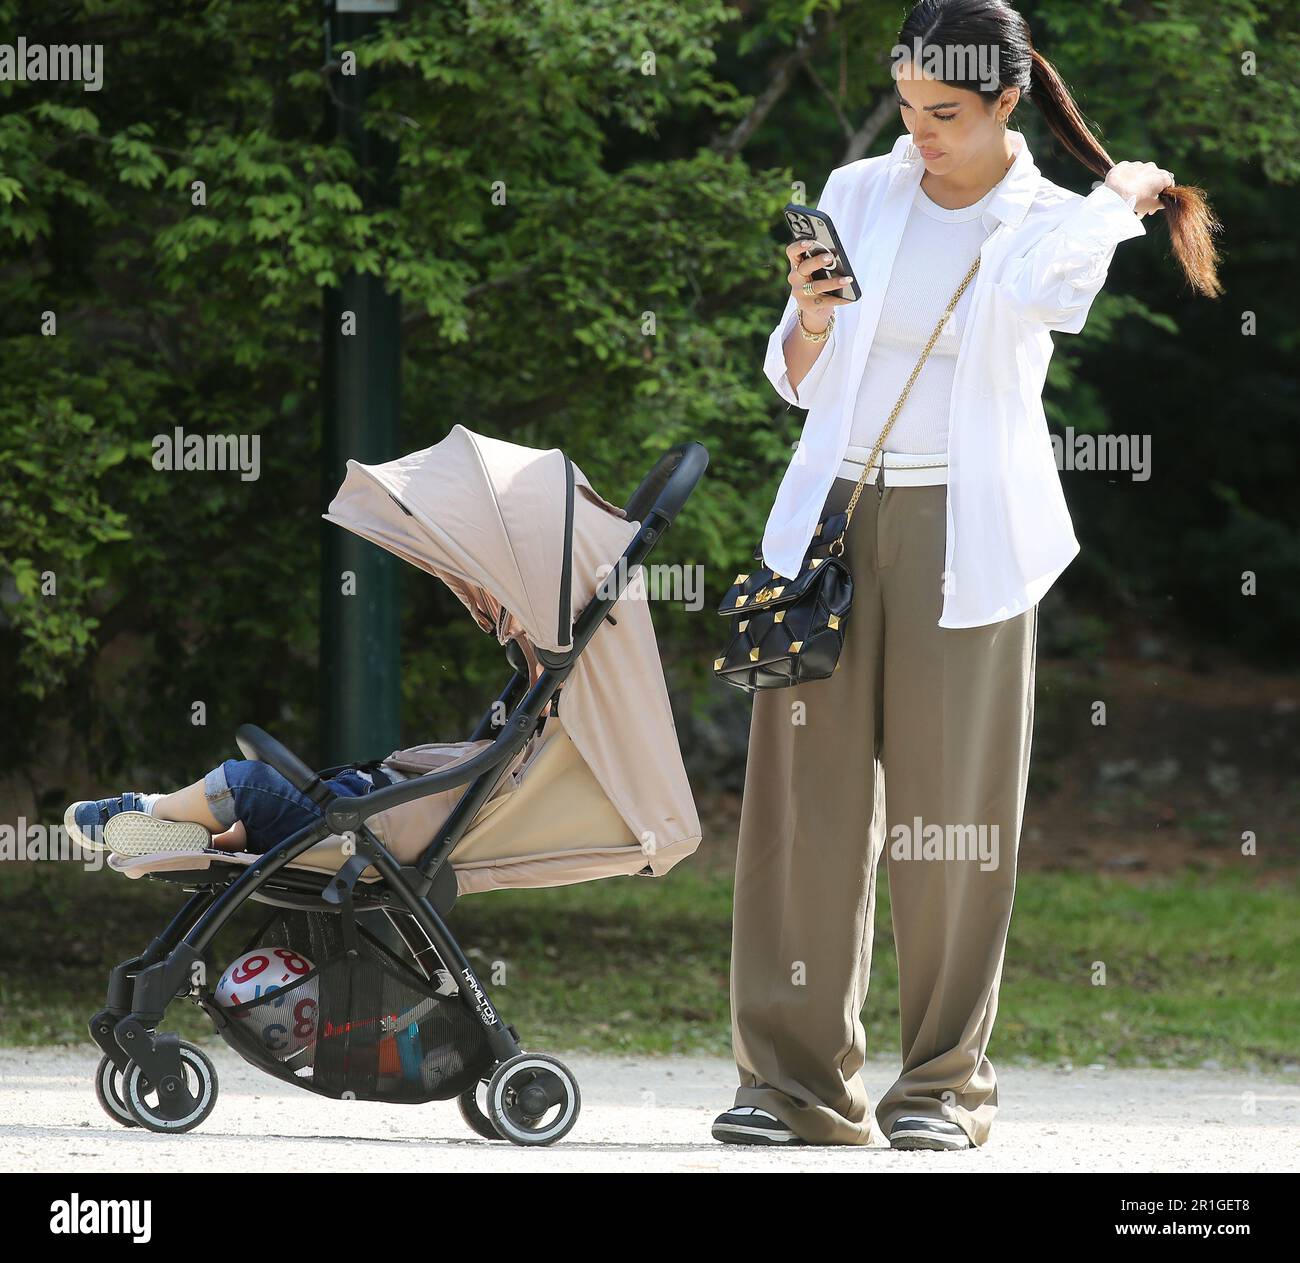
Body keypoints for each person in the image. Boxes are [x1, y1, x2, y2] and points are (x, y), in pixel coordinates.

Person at [713, 0, 1220, 1150]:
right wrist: (803, 317)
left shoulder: (1047, 216)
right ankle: (788, 1086)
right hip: (828, 521)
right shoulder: (857, 194)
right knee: (801, 816)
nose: (919, 131)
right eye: (904, 106)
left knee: (953, 823)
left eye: (944, 112)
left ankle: (941, 1087)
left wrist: (1107, 205)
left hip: (967, 531)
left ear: (1007, 102)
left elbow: (1047, 296)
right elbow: (798, 380)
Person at [64, 758, 408, 858]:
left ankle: (151, 810)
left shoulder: (461, 777)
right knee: (270, 801)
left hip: (362, 821)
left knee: (246, 782)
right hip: (347, 806)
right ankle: (215, 841)